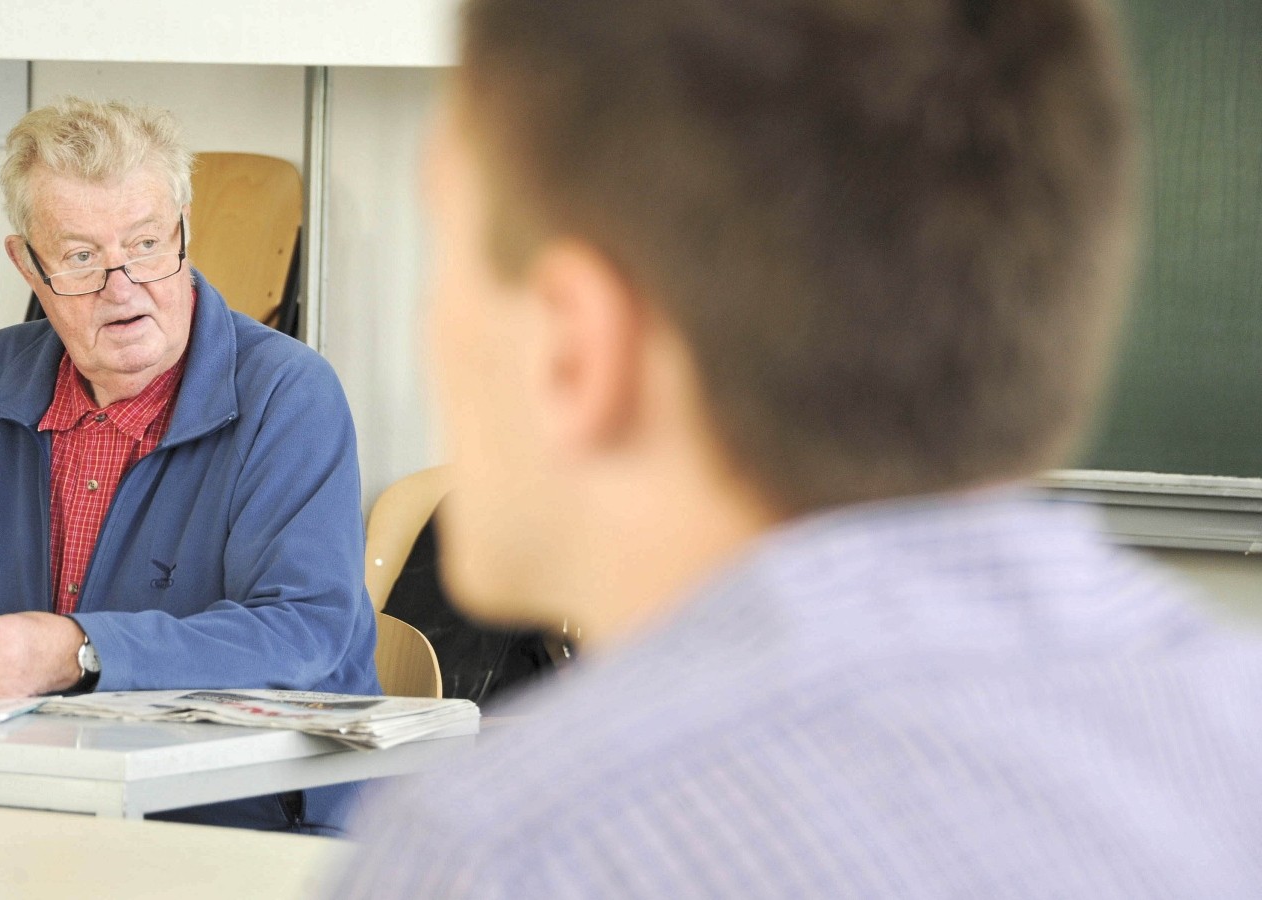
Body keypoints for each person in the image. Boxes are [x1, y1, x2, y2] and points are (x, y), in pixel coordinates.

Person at [334, 0, 1262, 893]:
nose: (430, 326)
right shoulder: (1232, 736)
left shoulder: (511, 850)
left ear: (577, 349)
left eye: (449, 254)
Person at [0, 97, 379, 834]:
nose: (123, 289)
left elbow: (304, 631)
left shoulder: (288, 392)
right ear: (27, 262)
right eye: (82, 258)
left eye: (146, 245)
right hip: (31, 798)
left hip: (239, 817)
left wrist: (81, 650)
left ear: (185, 228)